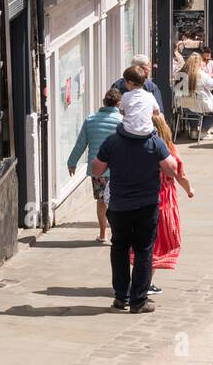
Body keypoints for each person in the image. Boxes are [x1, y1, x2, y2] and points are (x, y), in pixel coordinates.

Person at [92, 118, 179, 314]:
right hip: (146, 205)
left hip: (119, 205)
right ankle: (138, 300)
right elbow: (172, 170)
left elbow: (96, 169)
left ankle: (121, 296)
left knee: (119, 248)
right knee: (143, 250)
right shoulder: (154, 142)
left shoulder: (112, 141)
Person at [67, 88, 123, 242]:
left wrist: (72, 163)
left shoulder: (91, 120)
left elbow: (81, 144)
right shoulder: (121, 121)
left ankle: (103, 234)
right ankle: (117, 234)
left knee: (101, 202)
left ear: (104, 102)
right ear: (118, 104)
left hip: (98, 169)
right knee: (116, 201)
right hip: (117, 170)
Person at [147, 112, 194, 278]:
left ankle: (139, 281)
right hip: (164, 199)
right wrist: (189, 190)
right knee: (158, 241)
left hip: (142, 195)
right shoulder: (169, 149)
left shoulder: (142, 147)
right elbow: (180, 174)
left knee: (145, 241)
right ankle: (145, 283)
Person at [179, 52, 213, 135]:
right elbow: (212, 85)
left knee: (191, 107)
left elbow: (177, 90)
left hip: (184, 105)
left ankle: (193, 130)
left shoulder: (181, 74)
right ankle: (203, 131)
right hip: (201, 104)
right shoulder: (201, 74)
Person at [119, 64, 160, 136]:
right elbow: (157, 112)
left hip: (128, 132)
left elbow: (121, 112)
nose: (124, 84)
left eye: (125, 82)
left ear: (130, 83)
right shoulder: (150, 96)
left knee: (119, 126)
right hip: (147, 132)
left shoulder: (125, 96)